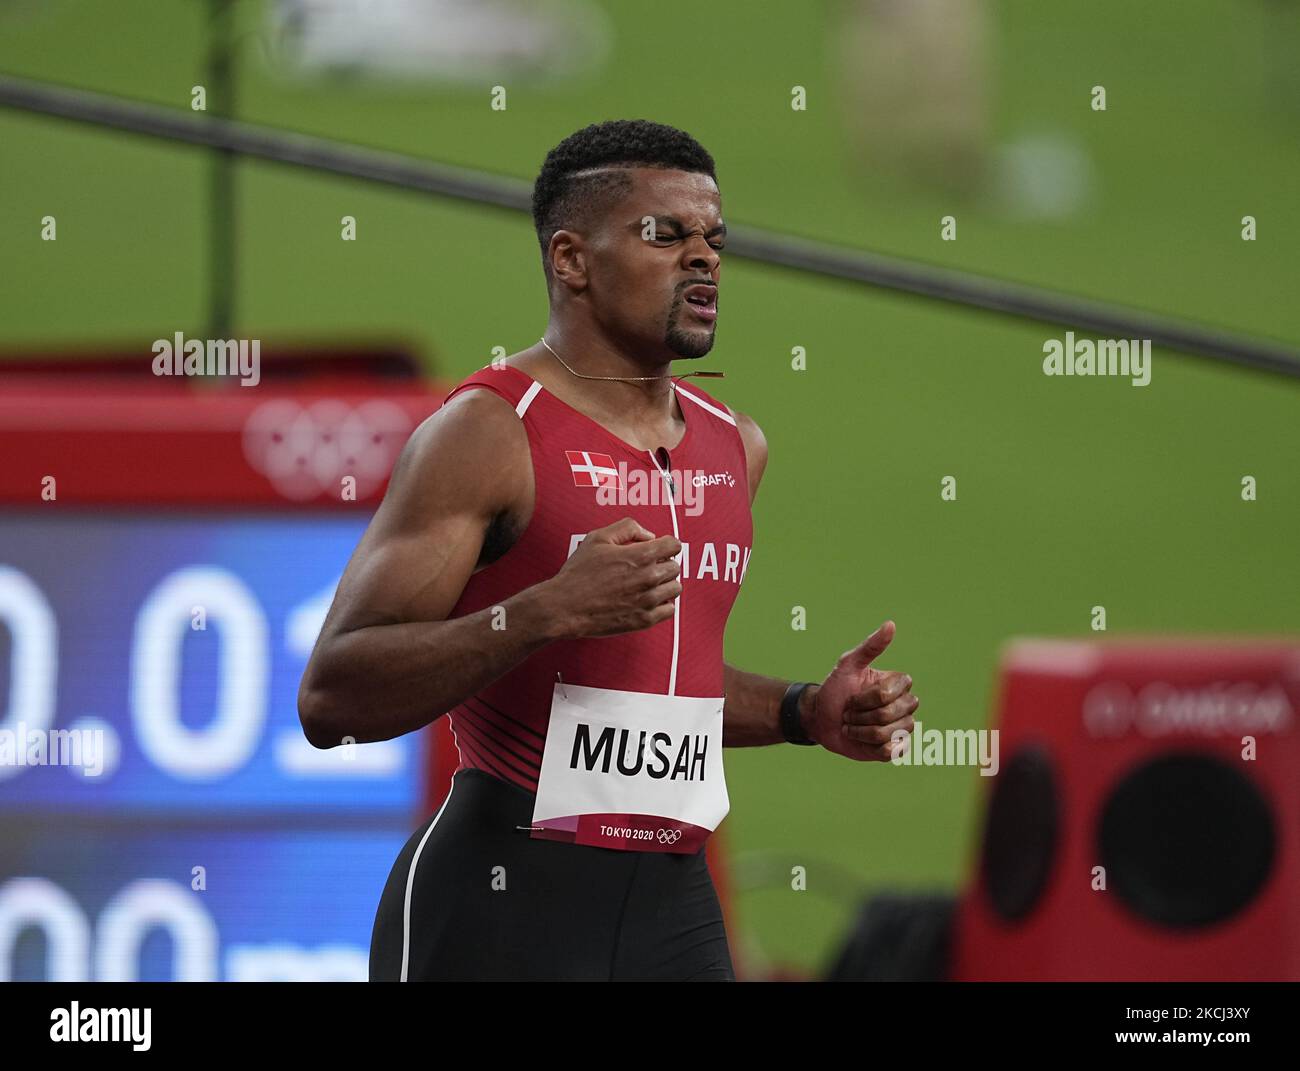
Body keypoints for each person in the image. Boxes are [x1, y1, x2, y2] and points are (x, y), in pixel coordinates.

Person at [297, 119, 920, 982]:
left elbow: (657, 687)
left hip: (673, 907)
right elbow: (333, 696)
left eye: (715, 239)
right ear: (571, 260)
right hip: (501, 898)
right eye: (665, 234)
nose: (702, 258)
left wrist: (803, 710)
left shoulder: (734, 445)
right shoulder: (488, 433)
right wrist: (542, 609)